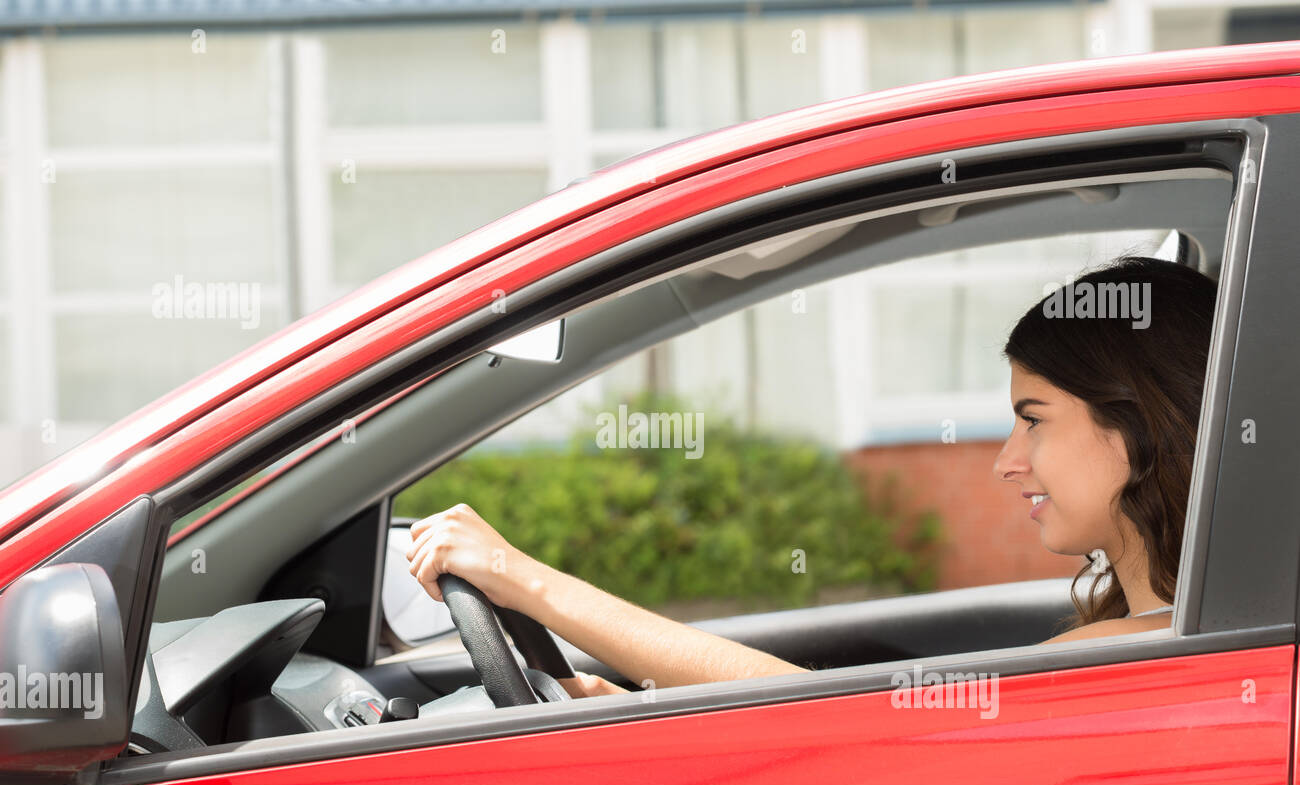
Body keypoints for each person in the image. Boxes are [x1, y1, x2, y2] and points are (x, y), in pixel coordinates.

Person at [405, 255, 1217, 697]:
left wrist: (523, 579)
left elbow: (869, 725)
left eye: (1033, 418)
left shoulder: (1149, 653)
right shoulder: (1160, 628)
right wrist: (642, 712)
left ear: (1136, 427)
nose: (1007, 459)